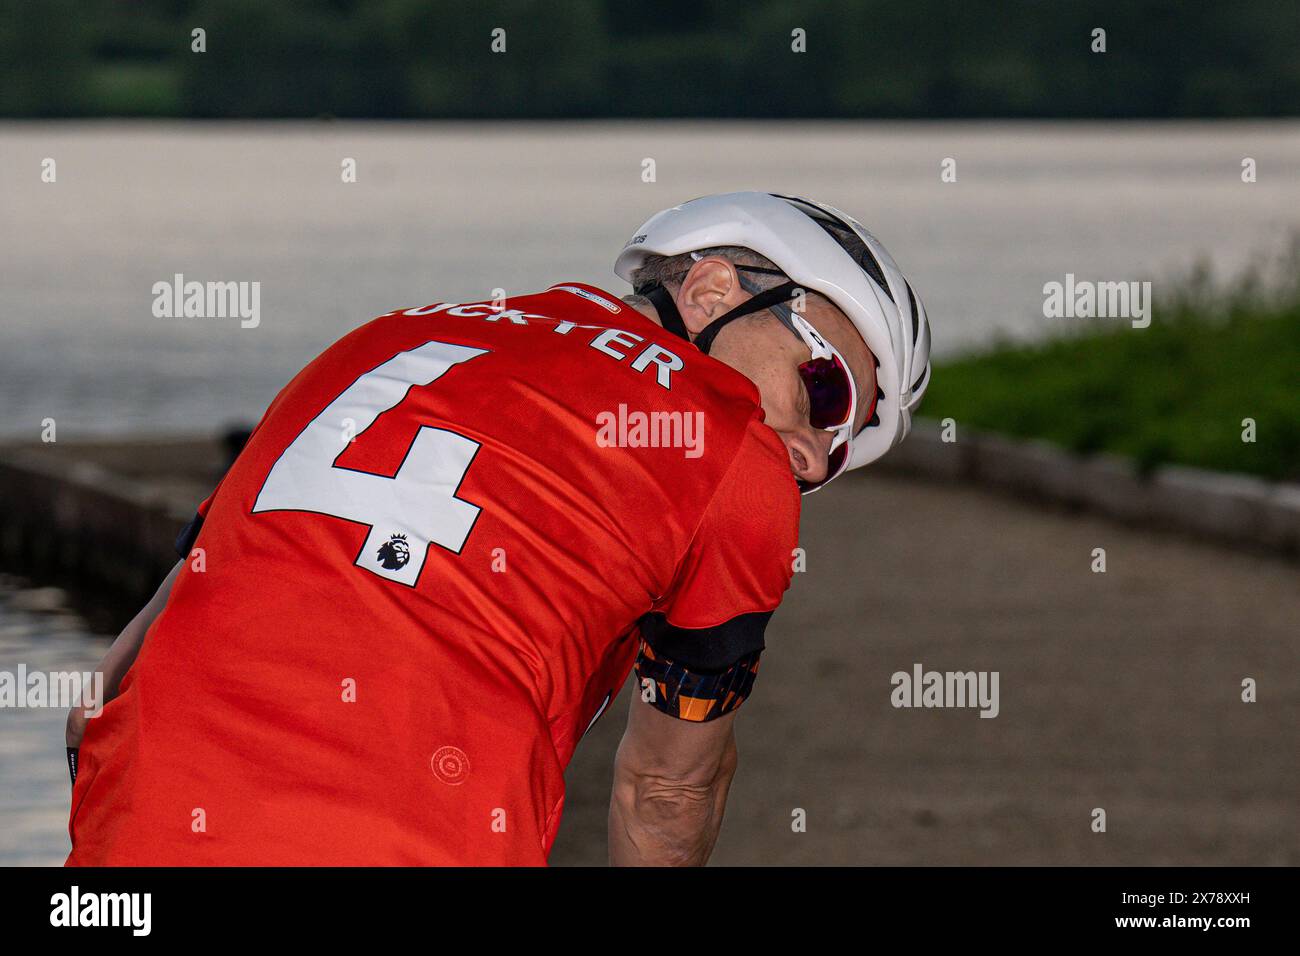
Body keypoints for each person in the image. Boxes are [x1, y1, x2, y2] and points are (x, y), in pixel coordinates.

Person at [65, 192, 931, 866]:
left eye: (844, 447)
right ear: (710, 290)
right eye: (826, 394)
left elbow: (115, 680)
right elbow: (667, 788)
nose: (816, 456)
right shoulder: (732, 455)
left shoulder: (378, 342)